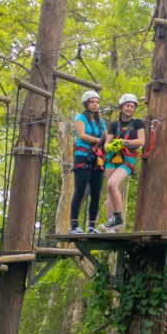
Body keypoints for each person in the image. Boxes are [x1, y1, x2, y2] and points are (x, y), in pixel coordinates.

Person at [101, 93, 146, 231]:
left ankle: (118, 218)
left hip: (127, 158)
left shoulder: (138, 123)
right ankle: (111, 226)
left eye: (132, 106)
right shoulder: (114, 124)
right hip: (112, 158)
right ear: (121, 107)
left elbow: (141, 141)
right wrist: (110, 146)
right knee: (111, 190)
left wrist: (124, 142)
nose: (130, 109)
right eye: (127, 105)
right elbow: (107, 143)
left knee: (112, 184)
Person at [70, 90, 106, 234]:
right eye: (92, 102)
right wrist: (99, 141)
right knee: (80, 190)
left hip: (97, 159)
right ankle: (74, 226)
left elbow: (106, 138)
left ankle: (91, 226)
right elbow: (82, 135)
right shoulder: (80, 117)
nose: (95, 105)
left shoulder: (100, 122)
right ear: (86, 103)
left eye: (97, 102)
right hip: (83, 156)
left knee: (96, 193)